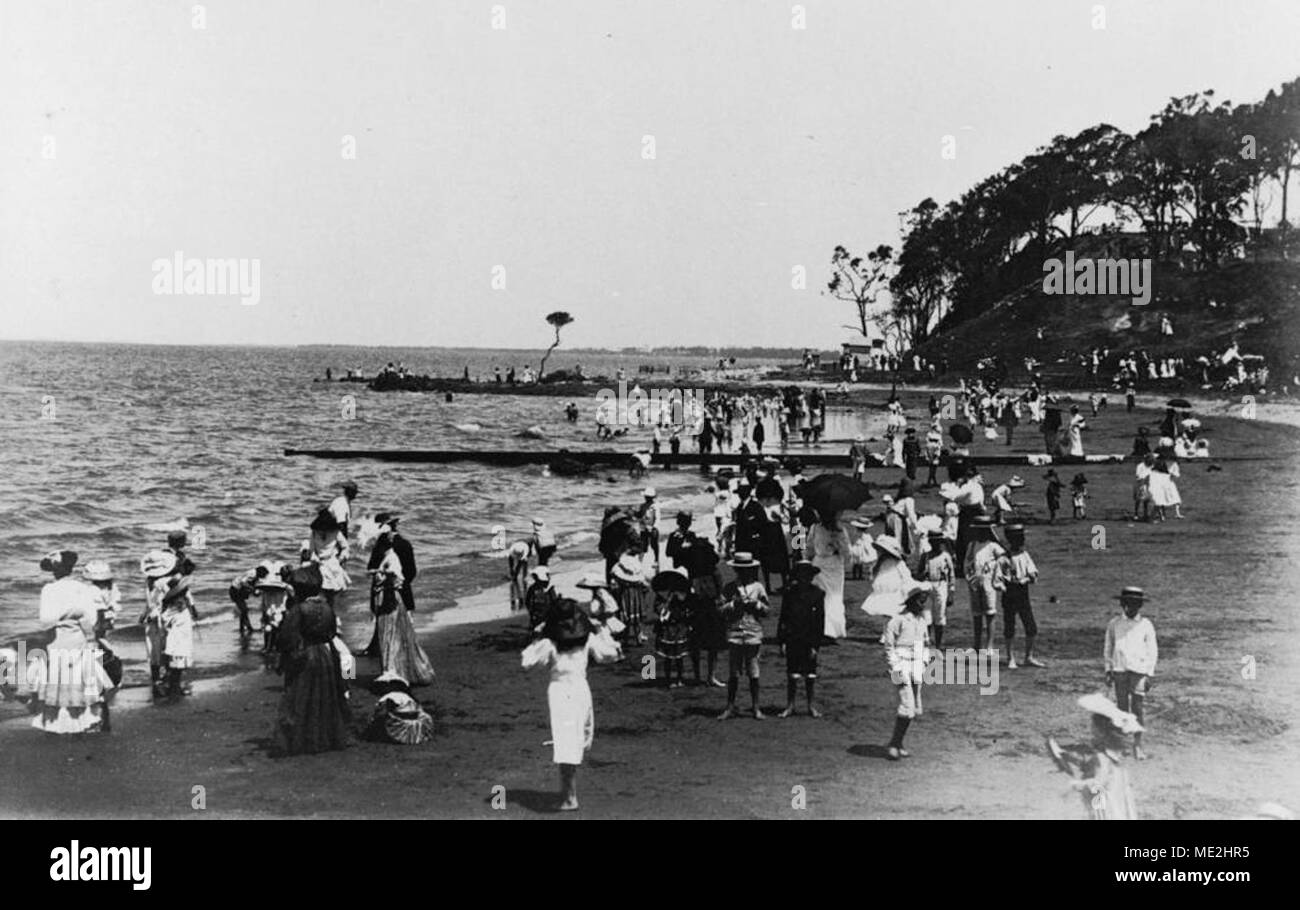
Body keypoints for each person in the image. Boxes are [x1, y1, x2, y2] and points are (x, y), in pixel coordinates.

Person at [521, 597, 621, 811]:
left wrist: (536, 637)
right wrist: (601, 632)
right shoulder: (587, 640)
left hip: (560, 690)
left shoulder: (550, 644)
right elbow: (611, 654)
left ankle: (570, 796)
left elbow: (526, 662)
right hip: (580, 688)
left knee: (565, 742)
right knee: (577, 739)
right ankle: (568, 793)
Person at [31, 551, 115, 734]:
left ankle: (57, 723)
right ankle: (82, 721)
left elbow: (46, 621)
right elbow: (92, 620)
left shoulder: (49, 589)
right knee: (79, 680)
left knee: (58, 680)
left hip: (57, 639)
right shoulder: (82, 588)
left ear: (54, 570)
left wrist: (62, 618)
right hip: (78, 639)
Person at [273, 590, 350, 756]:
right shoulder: (328, 608)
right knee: (324, 697)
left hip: (305, 655)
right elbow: (332, 632)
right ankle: (324, 738)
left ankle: (301, 740)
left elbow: (287, 637)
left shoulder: (299, 609)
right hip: (325, 654)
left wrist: (284, 653)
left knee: (299, 697)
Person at [369, 534, 435, 686]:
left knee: (390, 635)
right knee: (389, 635)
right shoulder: (388, 557)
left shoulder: (391, 558)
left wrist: (384, 574)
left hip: (389, 599)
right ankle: (391, 669)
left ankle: (391, 670)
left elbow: (399, 577)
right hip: (386, 599)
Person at [1103, 587, 1157, 760]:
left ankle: (1138, 745)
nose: (1131, 607)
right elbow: (1108, 647)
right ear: (1122, 604)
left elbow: (1152, 651)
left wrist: (1149, 673)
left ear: (1140, 605)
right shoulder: (1114, 624)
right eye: (1127, 603)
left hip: (1139, 671)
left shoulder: (1145, 624)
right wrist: (1108, 670)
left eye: (1135, 604)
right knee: (1121, 709)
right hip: (1119, 670)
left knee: (1138, 708)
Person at [881, 583, 933, 760]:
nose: (922, 605)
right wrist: (896, 669)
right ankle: (894, 744)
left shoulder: (922, 621)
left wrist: (924, 662)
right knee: (906, 704)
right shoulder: (897, 620)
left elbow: (926, 644)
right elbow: (889, 648)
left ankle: (899, 742)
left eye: (924, 602)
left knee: (914, 707)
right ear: (910, 601)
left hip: (916, 666)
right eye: (919, 601)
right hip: (899, 666)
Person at [717, 552, 769, 720]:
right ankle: (730, 706)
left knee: (753, 672)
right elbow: (719, 609)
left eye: (747, 570)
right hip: (735, 632)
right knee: (734, 673)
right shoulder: (730, 587)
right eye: (741, 570)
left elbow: (768, 611)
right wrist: (734, 604)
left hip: (753, 632)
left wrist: (758, 605)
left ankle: (756, 707)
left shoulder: (758, 587)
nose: (745, 573)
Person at [777, 560, 825, 717]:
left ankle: (811, 706)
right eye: (801, 575)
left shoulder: (817, 594)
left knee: (810, 674)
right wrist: (782, 640)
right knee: (792, 673)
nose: (805, 578)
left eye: (808, 575)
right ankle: (790, 705)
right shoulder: (790, 593)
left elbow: (819, 621)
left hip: (809, 638)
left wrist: (815, 645)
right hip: (793, 637)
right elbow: (783, 618)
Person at [683, 537, 726, 687]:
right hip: (710, 606)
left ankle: (697, 675)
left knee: (695, 642)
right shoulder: (713, 570)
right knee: (712, 643)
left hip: (696, 605)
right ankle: (711, 675)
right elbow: (720, 590)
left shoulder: (692, 571)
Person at [1001, 524, 1044, 669]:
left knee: (1030, 626)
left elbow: (1033, 573)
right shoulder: (1004, 557)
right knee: (1010, 625)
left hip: (1023, 591)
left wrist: (1029, 576)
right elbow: (1001, 577)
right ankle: (1010, 657)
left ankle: (1028, 657)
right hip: (1010, 591)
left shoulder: (1024, 555)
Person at [963, 517, 1006, 652]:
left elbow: (1003, 560)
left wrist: (993, 568)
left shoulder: (993, 546)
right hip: (975, 582)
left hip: (988, 582)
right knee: (977, 614)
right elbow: (967, 563)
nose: (979, 533)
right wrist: (969, 576)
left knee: (990, 613)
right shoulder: (972, 545)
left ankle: (990, 645)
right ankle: (976, 645)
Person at [806, 512, 850, 640]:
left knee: (826, 595)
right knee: (832, 596)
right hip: (829, 563)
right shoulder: (839, 529)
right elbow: (847, 552)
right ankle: (828, 628)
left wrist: (806, 558)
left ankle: (825, 628)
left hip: (825, 563)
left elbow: (809, 546)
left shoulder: (816, 527)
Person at [302, 509, 350, 609]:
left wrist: (341, 558)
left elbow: (345, 547)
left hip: (332, 563)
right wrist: (314, 558)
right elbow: (311, 551)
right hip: (319, 563)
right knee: (321, 593)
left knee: (332, 594)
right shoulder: (314, 533)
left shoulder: (336, 533)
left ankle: (331, 616)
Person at [653, 578, 691, 688]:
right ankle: (668, 678)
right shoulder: (661, 595)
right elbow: (658, 609)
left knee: (679, 656)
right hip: (667, 627)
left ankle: (679, 678)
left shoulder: (682, 595)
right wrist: (668, 600)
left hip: (679, 626)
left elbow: (686, 607)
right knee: (668, 656)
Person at [921, 532, 955, 648]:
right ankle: (927, 641)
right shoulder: (926, 556)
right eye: (933, 542)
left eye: (939, 542)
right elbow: (919, 573)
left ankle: (938, 644)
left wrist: (951, 592)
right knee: (926, 615)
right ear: (930, 542)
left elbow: (951, 575)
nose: (936, 545)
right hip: (927, 585)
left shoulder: (946, 556)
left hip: (941, 584)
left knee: (939, 615)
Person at [612, 552, 651, 645]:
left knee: (626, 620)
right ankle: (638, 639)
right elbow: (645, 586)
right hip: (637, 596)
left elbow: (615, 585)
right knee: (637, 620)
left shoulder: (621, 578)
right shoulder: (637, 580)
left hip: (625, 596)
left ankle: (625, 640)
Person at [229, 562, 268, 638]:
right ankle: (246, 628)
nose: (263, 577)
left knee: (244, 610)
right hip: (235, 590)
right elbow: (243, 582)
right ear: (260, 573)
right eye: (263, 575)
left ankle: (244, 628)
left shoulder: (255, 576)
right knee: (244, 609)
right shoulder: (252, 574)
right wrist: (253, 590)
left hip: (238, 591)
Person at [524, 566, 558, 637]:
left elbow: (528, 602)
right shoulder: (548, 589)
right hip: (541, 616)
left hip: (541, 617)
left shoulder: (534, 589)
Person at [1148, 454, 1182, 520]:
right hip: (1161, 487)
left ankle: (1161, 516)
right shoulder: (1158, 473)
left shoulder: (1159, 473)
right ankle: (1157, 517)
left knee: (1162, 502)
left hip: (1163, 486)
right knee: (1159, 502)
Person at [638, 488, 661, 565]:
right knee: (642, 546)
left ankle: (656, 560)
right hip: (644, 528)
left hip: (653, 528)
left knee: (654, 545)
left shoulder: (655, 506)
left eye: (648, 497)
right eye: (646, 497)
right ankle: (640, 561)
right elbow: (640, 516)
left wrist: (654, 527)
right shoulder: (642, 506)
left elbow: (657, 518)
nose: (647, 498)